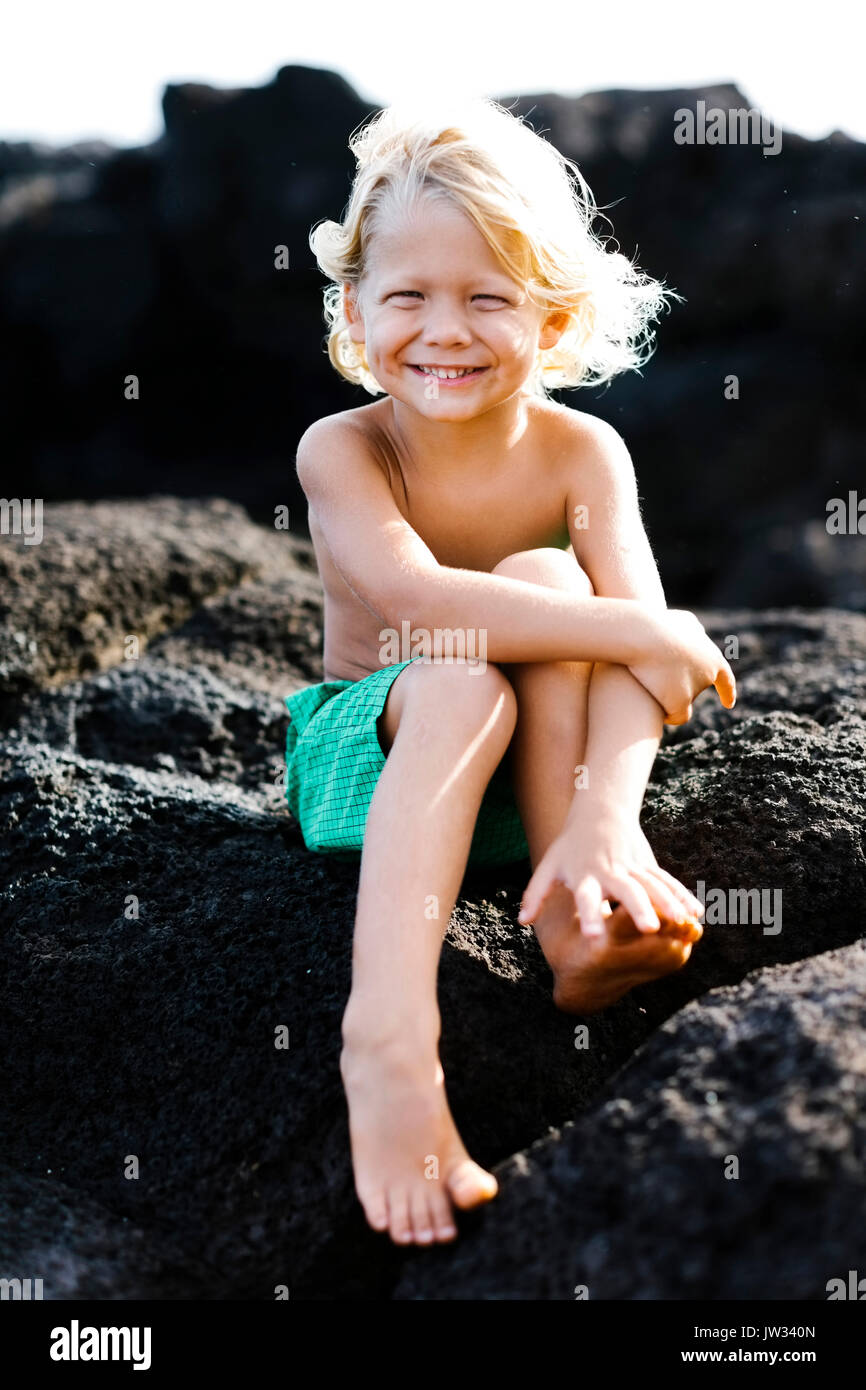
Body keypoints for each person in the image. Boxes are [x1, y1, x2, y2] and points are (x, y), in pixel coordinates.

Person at [284, 97, 736, 1248]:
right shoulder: (345, 448)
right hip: (373, 769)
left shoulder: (584, 450)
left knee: (547, 574)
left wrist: (605, 824)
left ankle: (573, 903)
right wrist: (639, 628)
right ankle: (386, 1040)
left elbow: (639, 668)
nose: (445, 330)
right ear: (353, 306)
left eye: (488, 297)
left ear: (555, 313)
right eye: (407, 297)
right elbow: (424, 604)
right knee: (467, 664)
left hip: (516, 811)